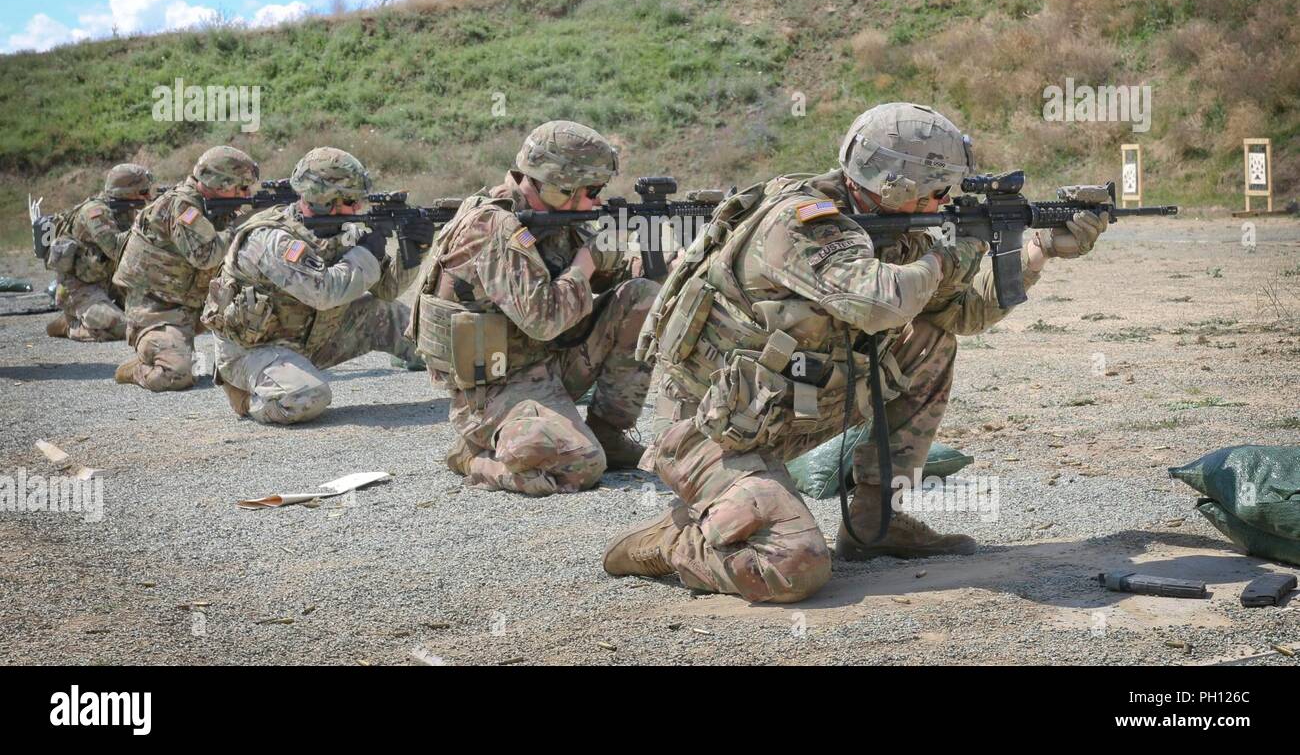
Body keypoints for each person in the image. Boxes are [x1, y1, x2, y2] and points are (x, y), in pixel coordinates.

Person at [603, 102, 1108, 602]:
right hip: (714, 431)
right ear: (897, 184)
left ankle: (874, 524)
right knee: (795, 568)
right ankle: (669, 542)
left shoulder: (890, 226)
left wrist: (1036, 250)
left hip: (788, 410)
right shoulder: (801, 223)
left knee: (931, 341)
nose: (942, 202)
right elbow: (879, 303)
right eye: (935, 190)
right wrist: (948, 254)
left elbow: (959, 315)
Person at [407, 120, 657, 496]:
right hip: (495, 388)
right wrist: (587, 262)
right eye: (591, 191)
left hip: (545, 364)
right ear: (558, 185)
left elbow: (610, 280)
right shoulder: (493, 227)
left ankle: (608, 433)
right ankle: (472, 458)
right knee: (579, 467)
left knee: (641, 296)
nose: (597, 200)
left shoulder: (553, 218)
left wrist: (649, 260)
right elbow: (543, 319)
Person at [202, 147, 423, 424]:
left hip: (311, 338)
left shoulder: (344, 231)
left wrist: (414, 251)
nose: (357, 208)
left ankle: (439, 361)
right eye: (350, 200)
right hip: (254, 350)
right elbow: (324, 292)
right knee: (306, 397)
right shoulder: (272, 238)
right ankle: (246, 398)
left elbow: (386, 291)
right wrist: (366, 254)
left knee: (395, 316)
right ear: (323, 199)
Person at [113, 146, 260, 391]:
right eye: (241, 188)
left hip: (197, 304)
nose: (246, 195)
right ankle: (134, 369)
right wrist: (244, 226)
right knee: (176, 374)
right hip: (156, 308)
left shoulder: (215, 207)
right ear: (219, 183)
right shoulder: (181, 206)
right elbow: (206, 256)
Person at [44, 164, 153, 343]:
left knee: (155, 317)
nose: (148, 196)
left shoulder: (126, 209)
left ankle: (94, 315)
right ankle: (70, 325)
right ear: (125, 192)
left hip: (110, 283)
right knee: (124, 328)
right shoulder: (96, 212)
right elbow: (117, 250)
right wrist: (149, 225)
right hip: (79, 288)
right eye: (143, 191)